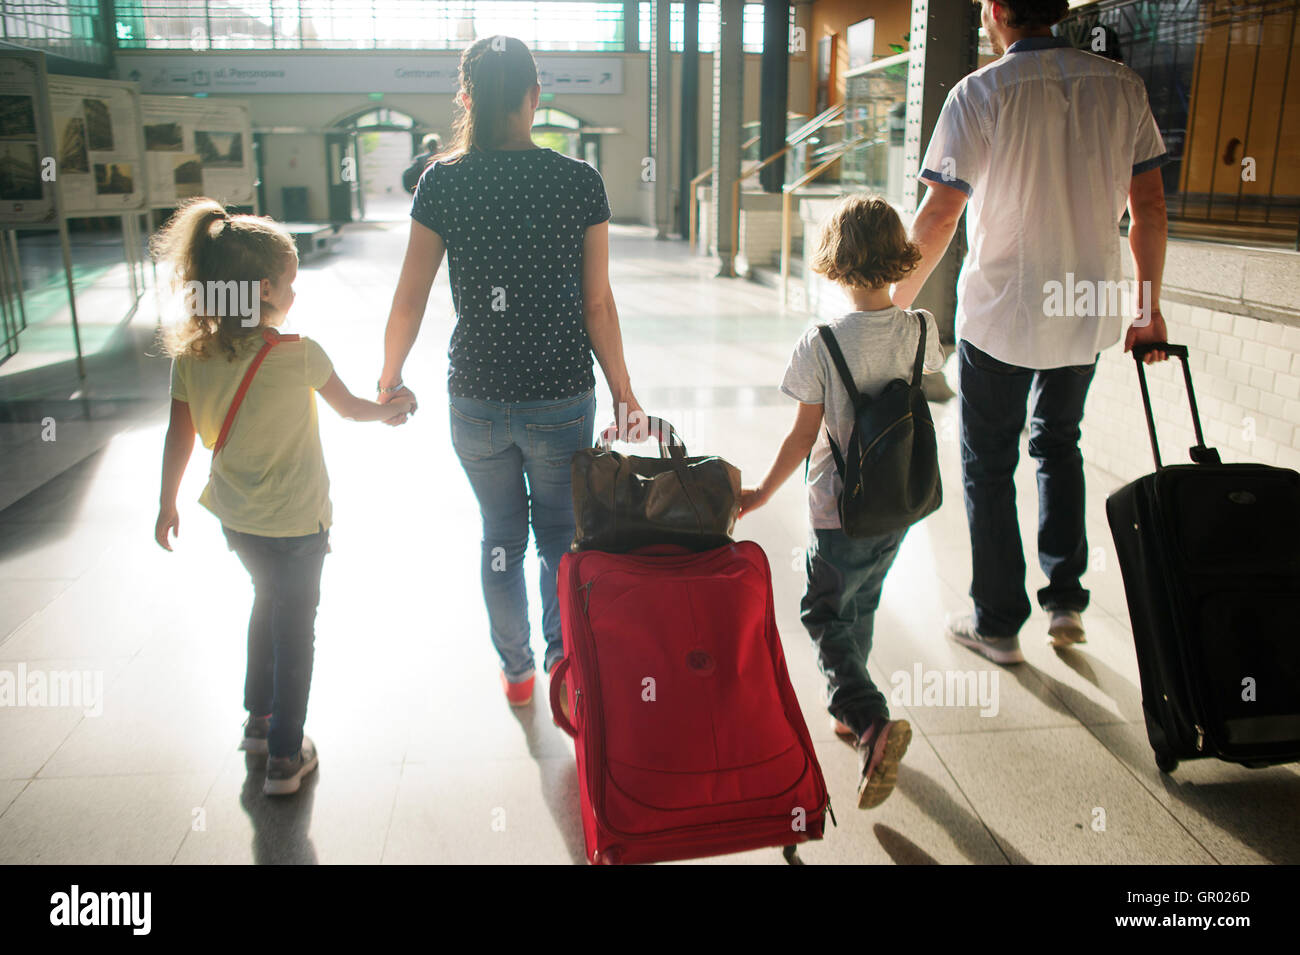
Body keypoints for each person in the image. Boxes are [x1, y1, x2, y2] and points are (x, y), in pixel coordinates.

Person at [892, 0, 1170, 665]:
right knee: (1058, 444)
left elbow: (938, 217)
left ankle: (997, 622)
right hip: (1086, 310)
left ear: (995, 13)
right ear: (1062, 11)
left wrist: (887, 305)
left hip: (1003, 312)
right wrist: (1147, 309)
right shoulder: (1122, 86)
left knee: (989, 466)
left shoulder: (980, 92)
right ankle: (1067, 601)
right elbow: (1150, 209)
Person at [377, 36, 645, 708]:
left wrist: (389, 377)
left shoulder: (443, 181)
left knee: (500, 536)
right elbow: (597, 301)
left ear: (466, 98)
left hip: (475, 398)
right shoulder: (579, 181)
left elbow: (409, 297)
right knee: (560, 534)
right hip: (560, 393)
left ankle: (518, 672)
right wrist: (623, 390)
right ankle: (565, 668)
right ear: (535, 95)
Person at [153, 197, 413, 796]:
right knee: (296, 630)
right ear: (266, 289)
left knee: (263, 606)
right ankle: (285, 757)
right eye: (290, 283)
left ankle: (257, 722)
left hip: (238, 522)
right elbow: (354, 411)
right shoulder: (299, 353)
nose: (295, 293)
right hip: (298, 523)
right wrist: (393, 410)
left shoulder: (194, 357)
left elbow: (179, 435)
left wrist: (168, 502)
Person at [740, 194, 945, 809]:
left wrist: (760, 492)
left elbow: (804, 435)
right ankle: (851, 711)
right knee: (864, 600)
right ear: (898, 256)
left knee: (823, 611)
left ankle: (869, 718)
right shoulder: (921, 328)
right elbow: (923, 376)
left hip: (839, 509)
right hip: (900, 502)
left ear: (835, 260)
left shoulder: (821, 341)